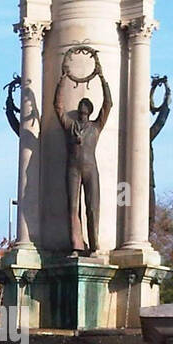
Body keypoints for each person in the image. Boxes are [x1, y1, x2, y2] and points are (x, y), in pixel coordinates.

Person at [54, 49, 112, 254]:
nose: (82, 110)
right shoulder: (70, 126)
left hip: (90, 168)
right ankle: (76, 245)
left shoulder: (96, 127)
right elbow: (58, 107)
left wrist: (102, 78)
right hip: (73, 169)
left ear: (90, 110)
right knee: (72, 208)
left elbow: (108, 104)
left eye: (85, 108)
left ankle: (95, 246)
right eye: (80, 107)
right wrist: (62, 80)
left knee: (93, 208)